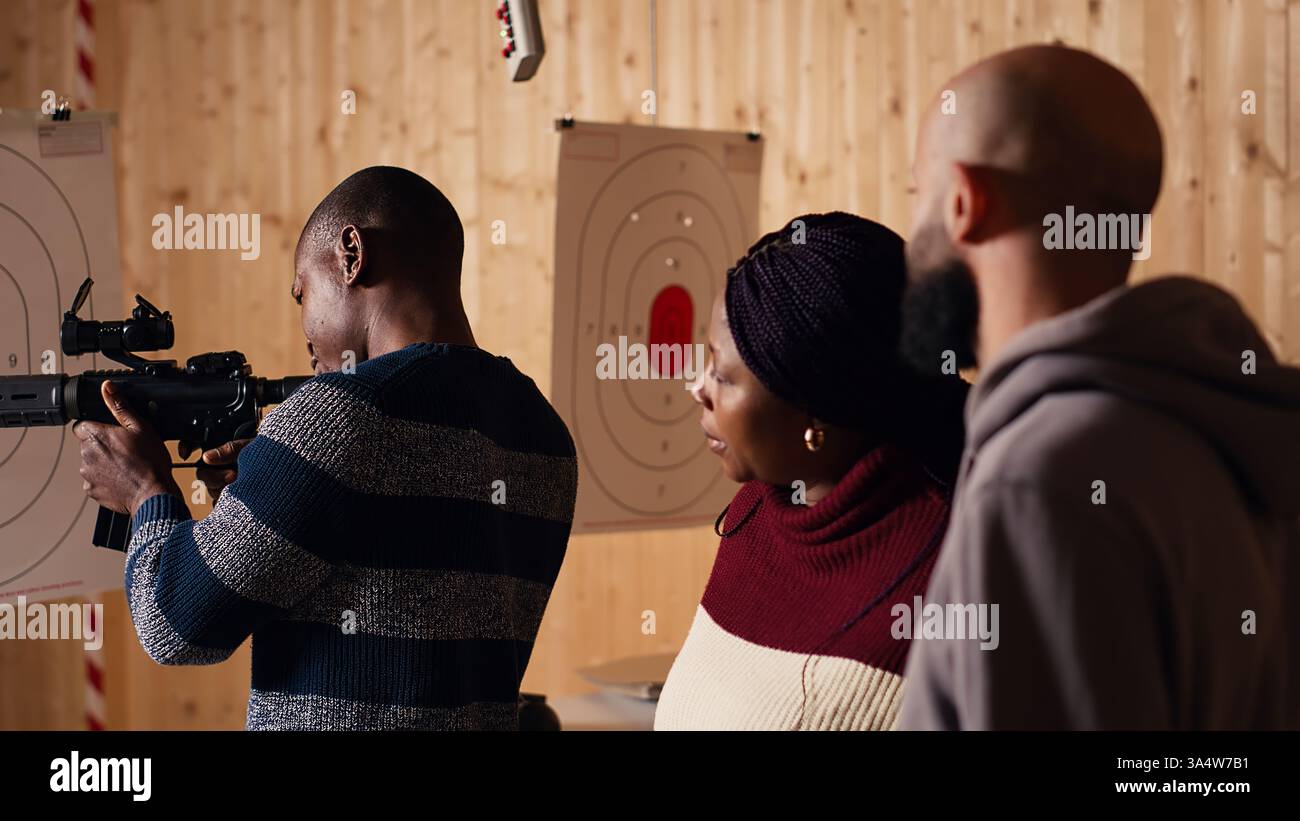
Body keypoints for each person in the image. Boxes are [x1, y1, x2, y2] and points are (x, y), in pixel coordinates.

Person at [74, 166, 578, 730]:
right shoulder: (544, 432)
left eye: (302, 293)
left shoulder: (336, 413)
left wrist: (145, 490)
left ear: (351, 253)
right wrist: (271, 495)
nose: (304, 330)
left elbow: (177, 625)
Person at [898, 45, 1300, 729]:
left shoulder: (1040, 478)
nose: (911, 229)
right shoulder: (1228, 423)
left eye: (917, 195)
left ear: (965, 200)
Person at [654, 212, 967, 730]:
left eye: (724, 376)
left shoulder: (951, 574)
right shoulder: (753, 511)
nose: (697, 387)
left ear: (813, 411)